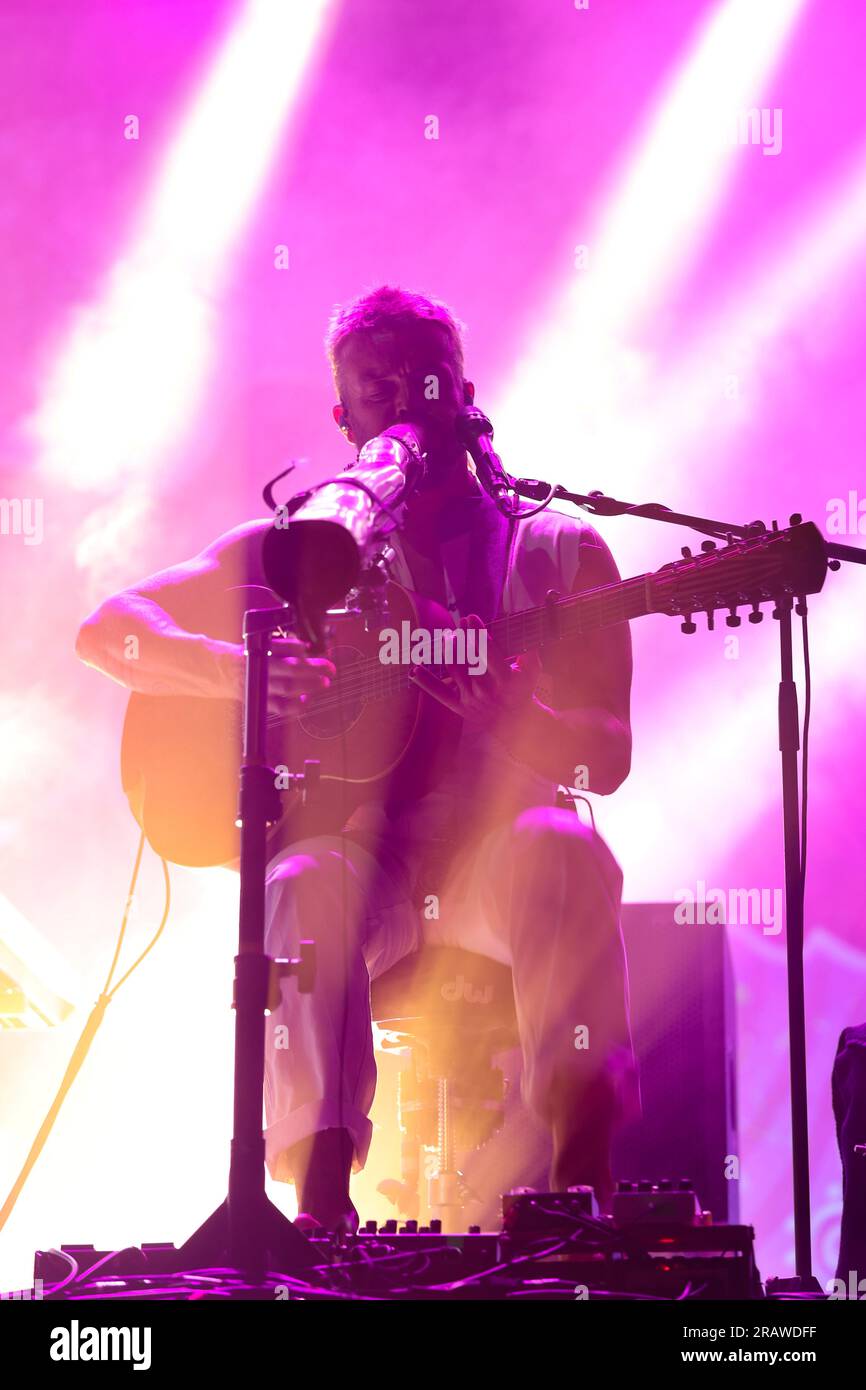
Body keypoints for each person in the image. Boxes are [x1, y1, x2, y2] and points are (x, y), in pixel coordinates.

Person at [76, 285, 640, 1235]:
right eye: (375, 392)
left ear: (465, 391)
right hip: (364, 871)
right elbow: (108, 631)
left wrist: (518, 716)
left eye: (424, 380)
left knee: (563, 845)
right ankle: (321, 1211)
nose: (406, 402)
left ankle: (580, 1197)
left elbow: (611, 759)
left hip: (494, 867)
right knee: (300, 877)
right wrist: (240, 673)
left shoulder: (557, 549)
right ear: (343, 421)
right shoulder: (300, 547)